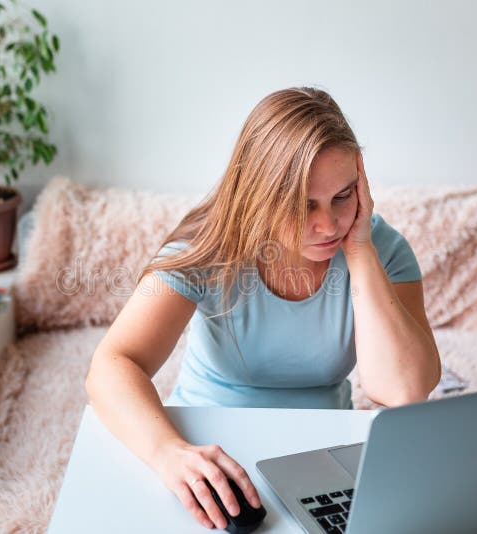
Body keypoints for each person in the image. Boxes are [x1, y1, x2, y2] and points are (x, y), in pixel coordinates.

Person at [85, 87, 441, 530]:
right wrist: (169, 453)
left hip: (319, 456)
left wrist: (362, 249)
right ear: (261, 195)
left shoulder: (380, 249)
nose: (329, 225)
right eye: (305, 205)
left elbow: (405, 390)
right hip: (206, 445)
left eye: (343, 196)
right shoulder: (206, 247)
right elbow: (113, 363)